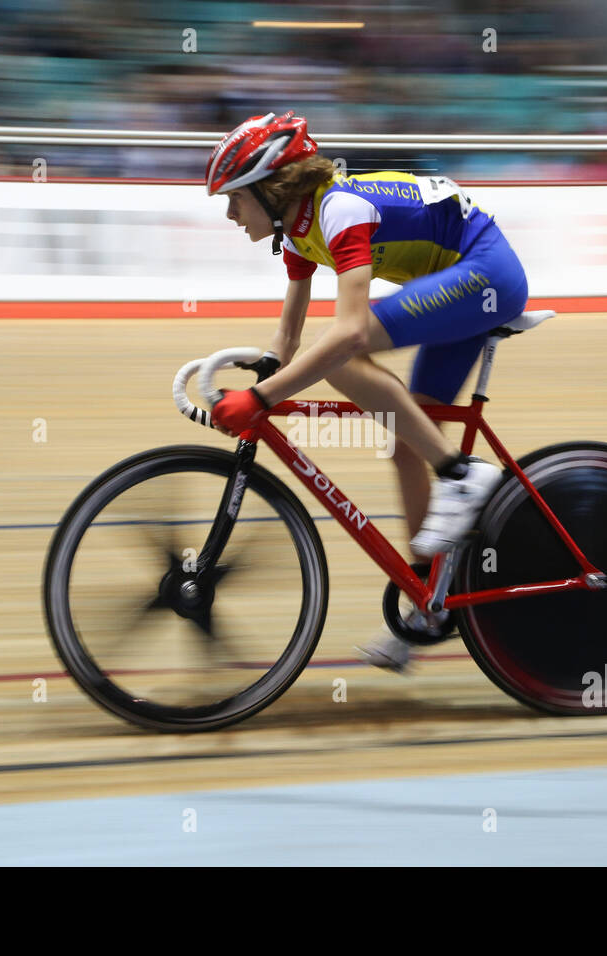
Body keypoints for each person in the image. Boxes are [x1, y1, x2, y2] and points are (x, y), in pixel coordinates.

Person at [205, 112, 530, 672]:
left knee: (348, 355)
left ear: (270, 187)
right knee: (405, 438)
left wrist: (260, 402)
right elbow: (289, 336)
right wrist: (263, 378)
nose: (231, 214)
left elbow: (350, 331)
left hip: (486, 276)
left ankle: (461, 474)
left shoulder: (339, 210)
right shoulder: (299, 230)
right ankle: (429, 603)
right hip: (457, 280)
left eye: (235, 198)